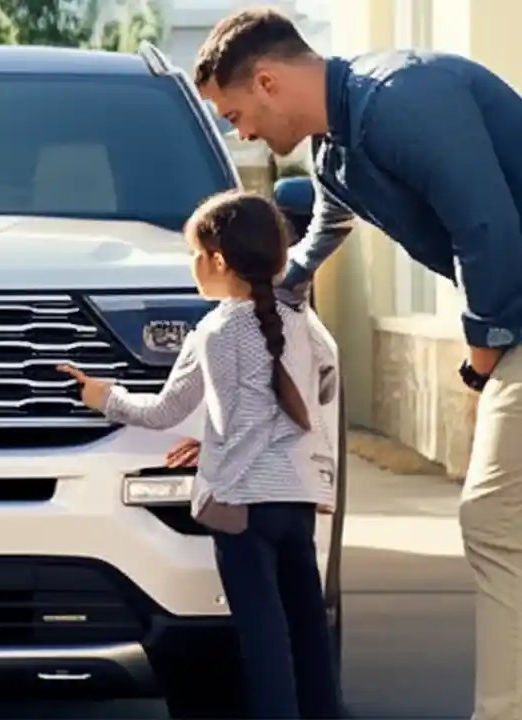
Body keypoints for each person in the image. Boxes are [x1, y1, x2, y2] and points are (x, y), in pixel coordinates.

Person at [186, 9, 522, 719]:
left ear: (269, 81)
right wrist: (271, 285)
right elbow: (325, 229)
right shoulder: (335, 152)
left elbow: (485, 223)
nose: (240, 132)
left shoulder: (402, 99)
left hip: (511, 323)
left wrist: (481, 353)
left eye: (236, 113)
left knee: (494, 516)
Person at [59, 189, 342, 719]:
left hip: (241, 506)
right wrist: (217, 437)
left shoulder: (214, 331)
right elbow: (315, 390)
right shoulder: (304, 323)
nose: (190, 264)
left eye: (194, 252)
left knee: (263, 635)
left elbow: (164, 412)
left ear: (217, 259)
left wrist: (104, 398)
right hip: (297, 495)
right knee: (306, 627)